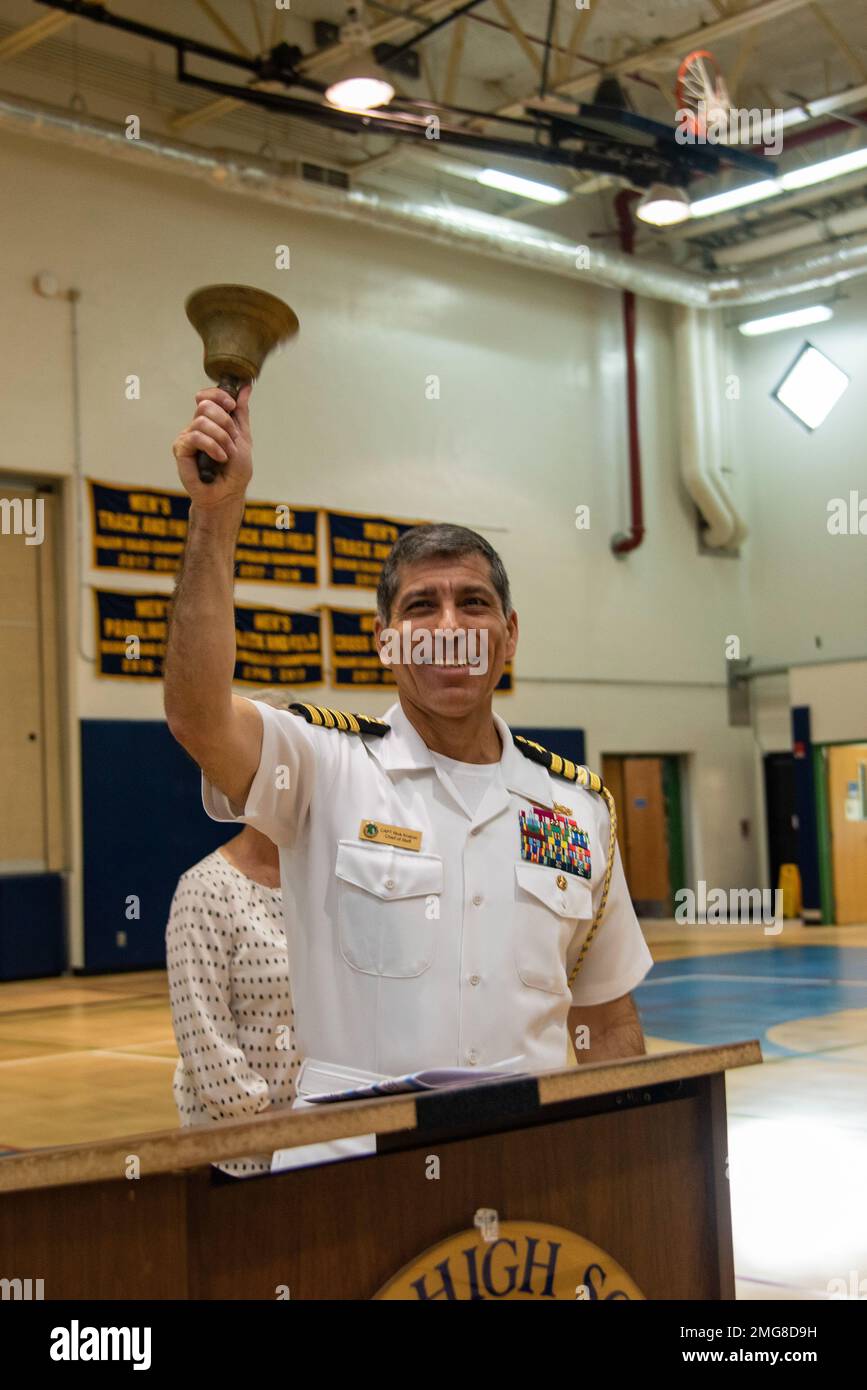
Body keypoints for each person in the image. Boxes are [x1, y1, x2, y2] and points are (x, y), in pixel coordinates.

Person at [164, 382, 652, 1117]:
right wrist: (215, 512)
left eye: (474, 603)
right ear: (385, 639)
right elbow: (198, 714)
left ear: (509, 634)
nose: (449, 625)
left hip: (535, 1163)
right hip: (359, 1170)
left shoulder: (578, 809)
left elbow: (606, 1020)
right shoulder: (322, 767)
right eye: (421, 606)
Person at [166, 690, 299, 1177]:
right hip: (239, 1165)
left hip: (331, 1148)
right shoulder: (204, 892)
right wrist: (279, 1138)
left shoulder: (335, 879)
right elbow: (207, 1048)